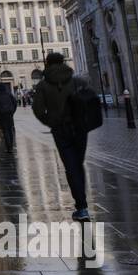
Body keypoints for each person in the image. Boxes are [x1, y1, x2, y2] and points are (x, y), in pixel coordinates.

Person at [32, 52, 92, 221]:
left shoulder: (43, 85)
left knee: (70, 166)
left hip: (61, 130)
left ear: (48, 64)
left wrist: (51, 122)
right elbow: (89, 101)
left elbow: (37, 110)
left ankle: (81, 206)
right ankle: (82, 205)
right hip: (80, 129)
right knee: (78, 164)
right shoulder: (76, 81)